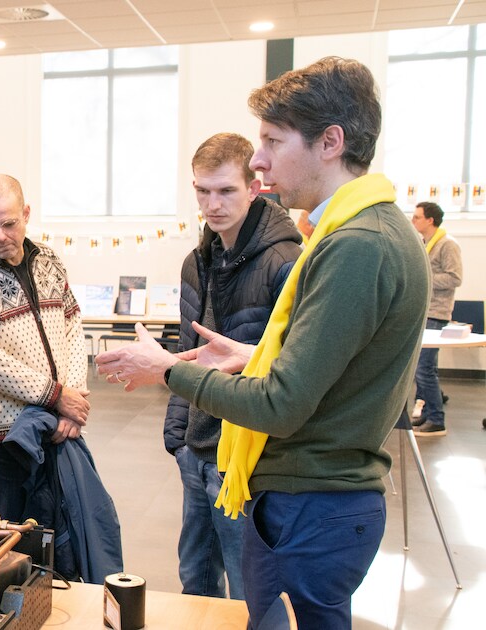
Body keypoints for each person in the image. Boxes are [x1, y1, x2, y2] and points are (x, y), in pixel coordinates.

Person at [95, 57, 429, 629]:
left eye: (273, 140)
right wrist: (256, 356)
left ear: (330, 142)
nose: (259, 159)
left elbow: (282, 404)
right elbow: (339, 366)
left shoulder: (356, 244)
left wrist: (168, 370)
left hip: (313, 502)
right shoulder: (365, 229)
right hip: (313, 498)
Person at [0, 173, 122, 583]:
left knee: (63, 539)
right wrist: (56, 396)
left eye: (9, 223)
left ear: (26, 213)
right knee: (9, 551)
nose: (0, 235)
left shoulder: (47, 259)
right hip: (2, 441)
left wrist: (71, 403)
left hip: (57, 428)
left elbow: (73, 326)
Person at [165, 132, 302, 600]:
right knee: (196, 582)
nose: (212, 204)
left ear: (254, 187)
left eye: (225, 190)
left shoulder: (286, 261)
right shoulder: (196, 261)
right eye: (203, 191)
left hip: (248, 459)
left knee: (252, 593)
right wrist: (178, 436)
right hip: (197, 450)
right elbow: (186, 350)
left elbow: (294, 371)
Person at [410, 201, 462, 436]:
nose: (413, 221)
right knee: (424, 368)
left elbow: (454, 278)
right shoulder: (426, 243)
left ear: (430, 220)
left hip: (437, 312)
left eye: (417, 217)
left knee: (424, 369)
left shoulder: (447, 244)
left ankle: (437, 419)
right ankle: (429, 414)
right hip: (424, 309)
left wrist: (424, 276)